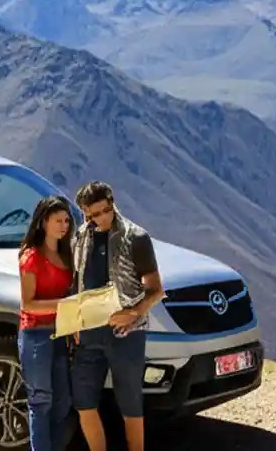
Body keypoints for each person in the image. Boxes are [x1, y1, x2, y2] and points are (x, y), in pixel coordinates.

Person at [70, 181, 165, 451]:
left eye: (104, 211)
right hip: (89, 333)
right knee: (83, 401)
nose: (100, 219)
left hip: (126, 334)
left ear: (112, 203)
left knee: (130, 404)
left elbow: (156, 290)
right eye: (92, 215)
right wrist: (74, 322)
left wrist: (133, 313)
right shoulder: (80, 238)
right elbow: (77, 282)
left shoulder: (136, 238)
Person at [18, 195, 77, 451]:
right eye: (58, 221)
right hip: (36, 335)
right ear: (44, 222)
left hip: (61, 333)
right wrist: (65, 304)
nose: (64, 226)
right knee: (41, 401)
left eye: (67, 221)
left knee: (63, 402)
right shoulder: (31, 257)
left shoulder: (66, 255)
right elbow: (28, 304)